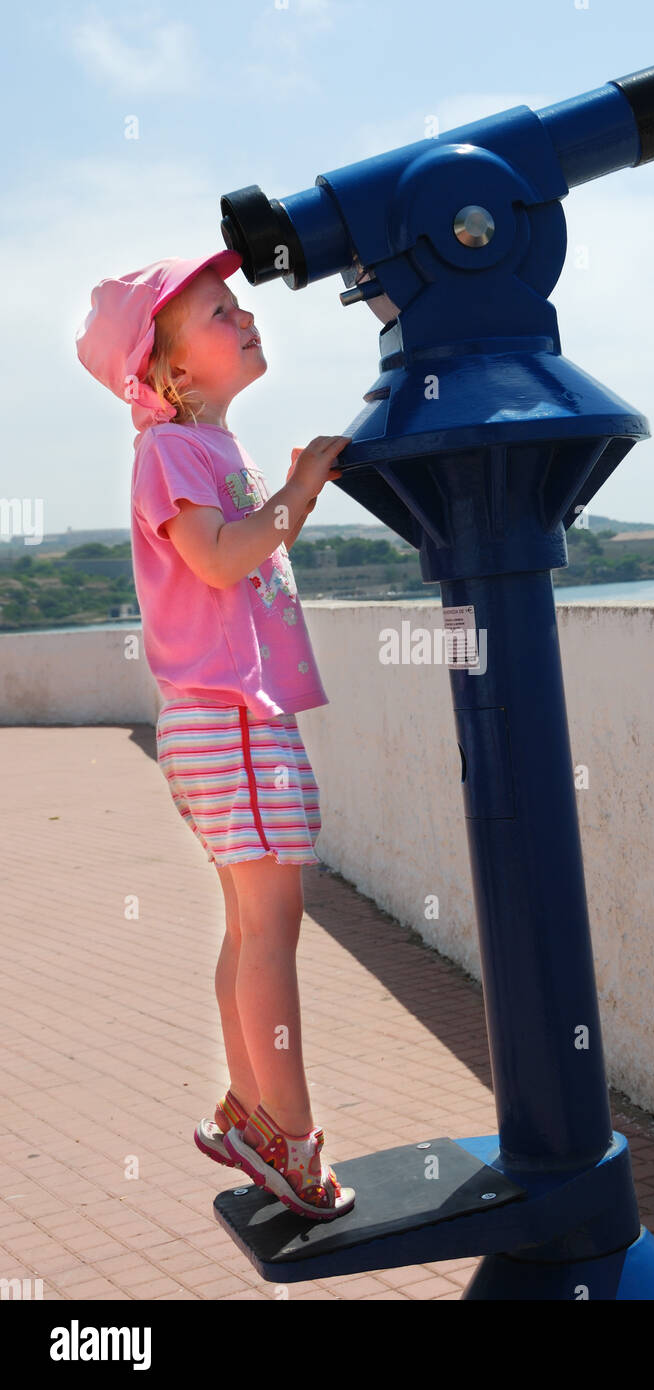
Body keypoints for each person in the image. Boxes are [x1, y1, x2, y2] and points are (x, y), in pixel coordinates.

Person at [75, 250, 355, 1220]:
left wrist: (277, 491)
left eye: (237, 302)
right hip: (230, 716)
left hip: (224, 718)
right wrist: (303, 490)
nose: (242, 314)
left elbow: (235, 547)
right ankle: (294, 1144)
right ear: (171, 374)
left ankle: (249, 1113)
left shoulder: (205, 451)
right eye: (216, 311)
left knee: (249, 926)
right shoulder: (170, 453)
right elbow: (223, 554)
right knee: (271, 931)